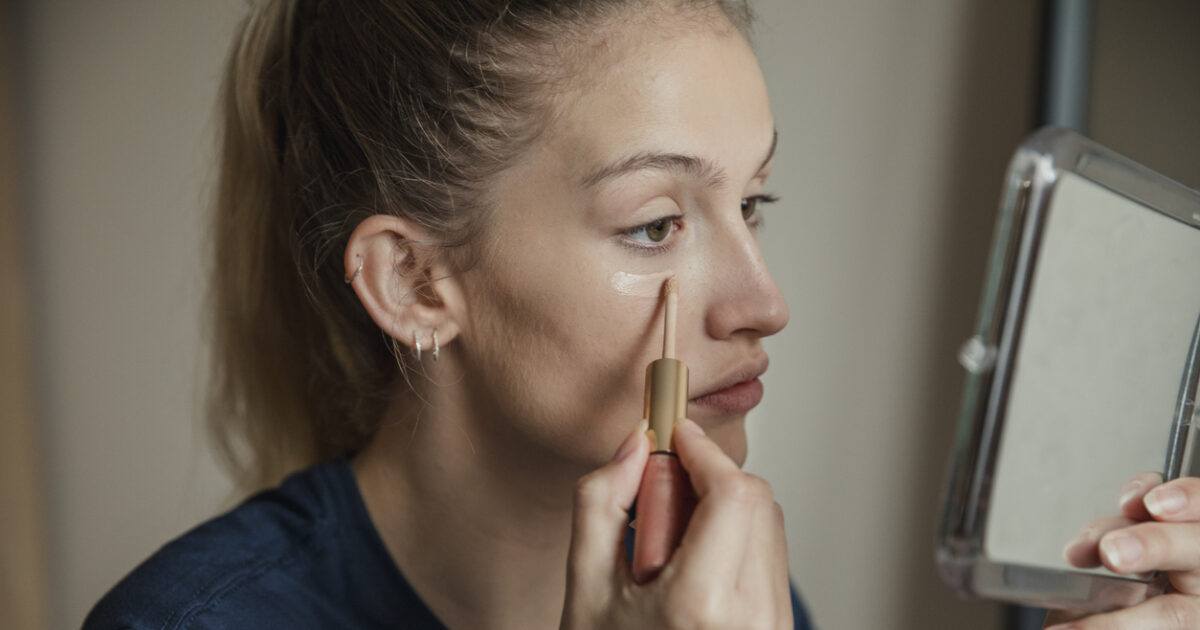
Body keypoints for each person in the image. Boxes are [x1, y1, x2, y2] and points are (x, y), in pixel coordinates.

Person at [81, 1, 1200, 629]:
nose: (767, 303)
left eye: (752, 201)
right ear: (416, 285)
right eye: (657, 224)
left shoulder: (712, 592)